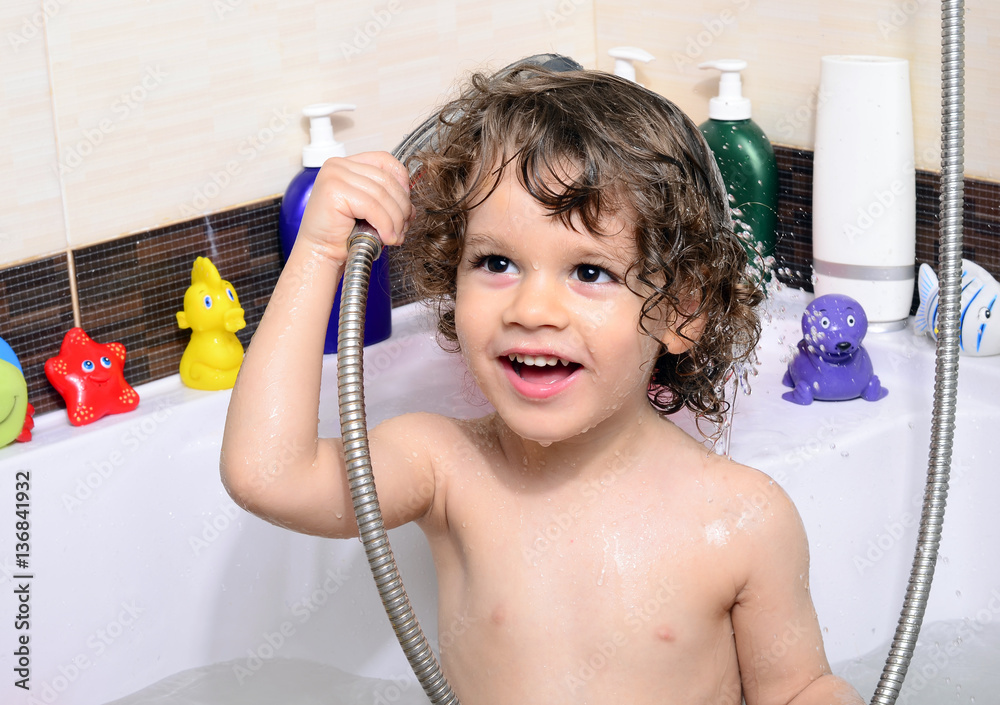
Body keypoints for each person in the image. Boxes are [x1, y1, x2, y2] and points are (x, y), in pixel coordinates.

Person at [221, 62, 865, 704]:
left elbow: (798, 687)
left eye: (589, 272)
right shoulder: (447, 470)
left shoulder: (743, 519)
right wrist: (319, 251)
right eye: (496, 262)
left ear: (682, 312)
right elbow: (266, 474)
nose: (531, 310)